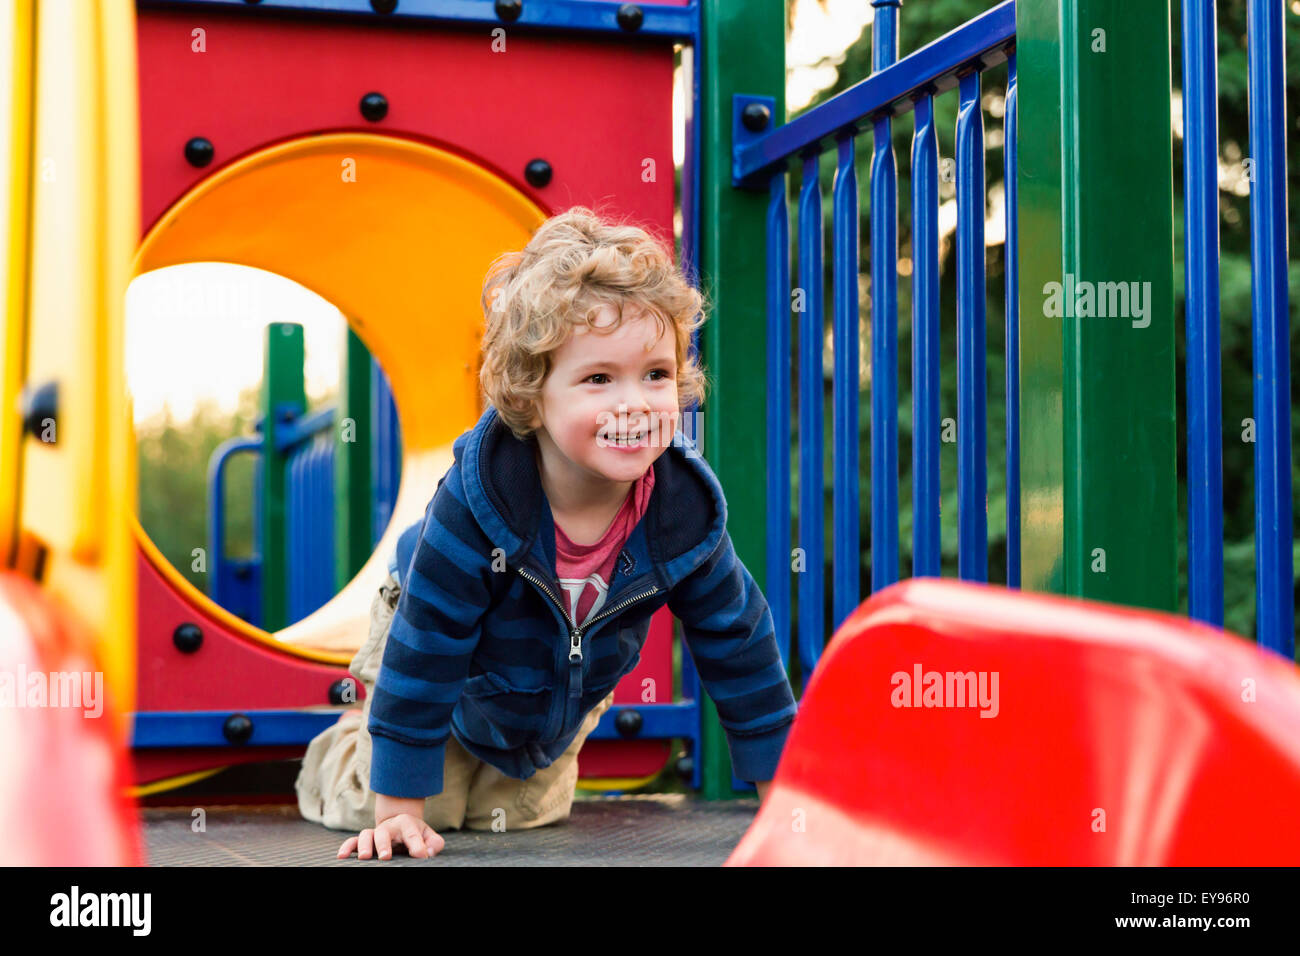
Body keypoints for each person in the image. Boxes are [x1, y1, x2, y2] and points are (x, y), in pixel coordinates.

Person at [295, 205, 798, 861]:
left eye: (656, 374)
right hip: (431, 647)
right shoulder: (479, 505)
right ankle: (348, 744)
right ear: (532, 396)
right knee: (426, 808)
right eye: (597, 379)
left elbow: (741, 649)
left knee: (514, 817)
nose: (635, 402)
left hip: (547, 692)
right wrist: (397, 814)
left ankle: (490, 764)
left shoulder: (682, 514)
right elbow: (428, 647)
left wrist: (786, 803)